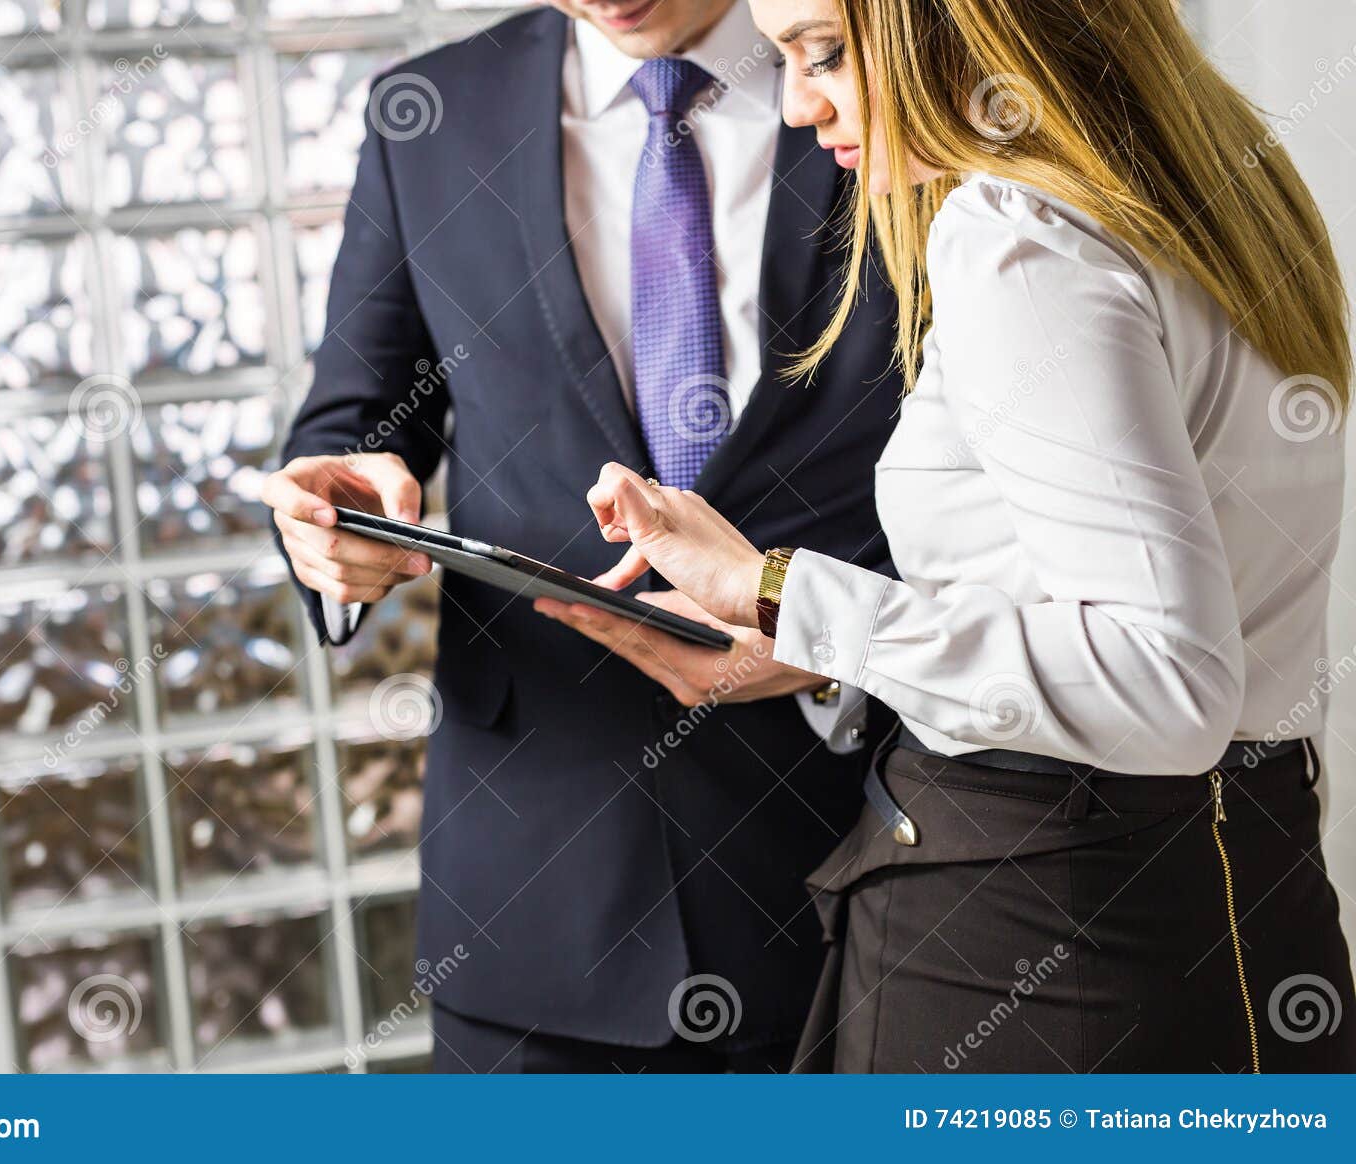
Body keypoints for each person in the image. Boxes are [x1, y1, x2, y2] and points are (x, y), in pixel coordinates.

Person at [577, 0, 1356, 1072]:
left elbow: (1163, 688)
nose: (800, 104)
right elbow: (1126, 619)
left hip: (1040, 920)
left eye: (827, 52)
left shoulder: (1017, 235)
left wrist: (769, 586)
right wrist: (816, 645)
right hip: (1249, 886)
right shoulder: (1226, 184)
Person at [262, 0, 901, 1072]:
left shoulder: (880, 71)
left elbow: (998, 454)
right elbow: (359, 419)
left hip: (866, 854)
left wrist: (829, 644)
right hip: (534, 896)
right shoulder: (429, 116)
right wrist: (338, 523)